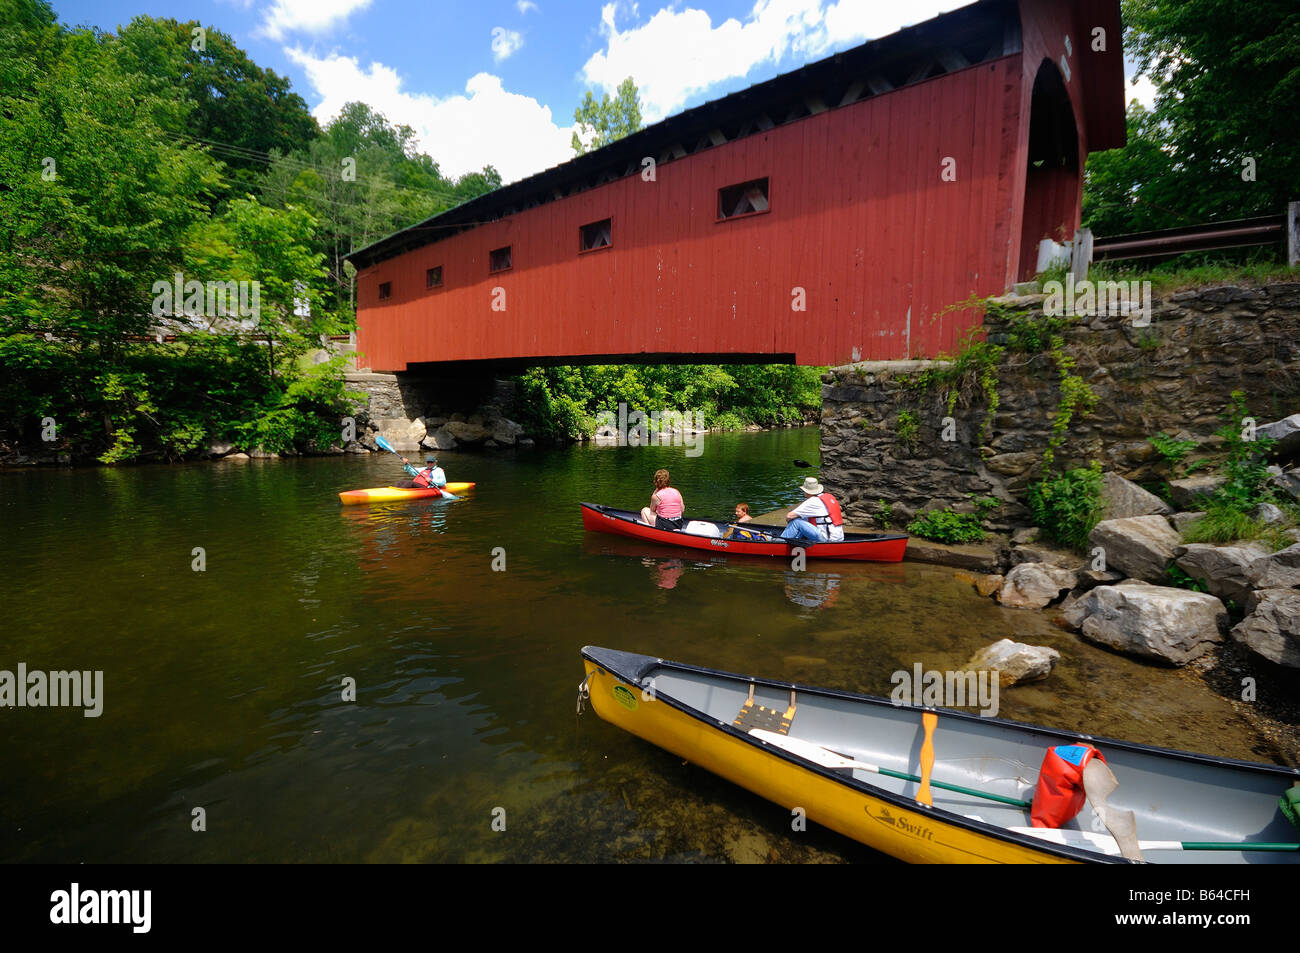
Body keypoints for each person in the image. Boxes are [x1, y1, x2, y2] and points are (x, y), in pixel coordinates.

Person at [781, 477, 845, 542]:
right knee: (804, 518)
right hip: (839, 537)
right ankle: (795, 540)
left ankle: (780, 542)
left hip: (827, 539)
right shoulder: (828, 497)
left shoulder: (812, 501)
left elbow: (789, 516)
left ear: (806, 492)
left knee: (796, 522)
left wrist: (790, 522)